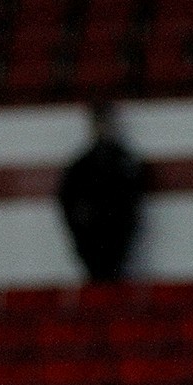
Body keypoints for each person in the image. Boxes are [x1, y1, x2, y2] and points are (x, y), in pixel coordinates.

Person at [57, 102, 148, 282]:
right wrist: (81, 227)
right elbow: (66, 200)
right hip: (91, 238)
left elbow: (134, 197)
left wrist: (125, 225)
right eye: (99, 122)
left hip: (117, 235)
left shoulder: (124, 161)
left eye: (106, 122)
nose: (103, 127)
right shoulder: (82, 164)